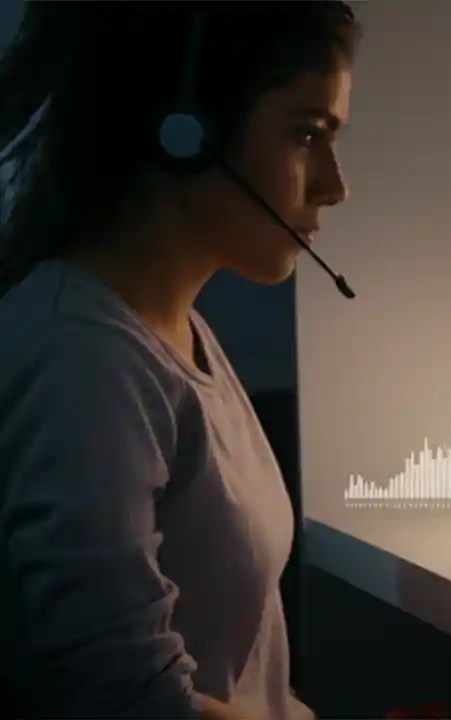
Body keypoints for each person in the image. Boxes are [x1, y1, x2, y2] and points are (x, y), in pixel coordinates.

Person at [0, 2, 360, 718]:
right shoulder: (82, 359)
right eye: (307, 134)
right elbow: (133, 701)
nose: (334, 185)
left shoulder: (169, 329)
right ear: (187, 134)